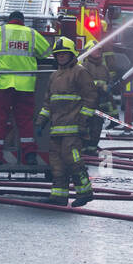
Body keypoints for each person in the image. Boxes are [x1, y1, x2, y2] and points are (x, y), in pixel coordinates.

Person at [0, 11, 51, 164]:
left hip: (4, 85)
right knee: (25, 121)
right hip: (25, 86)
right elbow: (46, 52)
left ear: (9, 20)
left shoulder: (2, 31)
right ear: (23, 21)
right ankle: (30, 155)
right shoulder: (31, 34)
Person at [35, 36, 97, 206]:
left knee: (74, 161)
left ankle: (85, 192)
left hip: (73, 128)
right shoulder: (54, 76)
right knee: (57, 164)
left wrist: (83, 122)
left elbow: (90, 98)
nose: (61, 57)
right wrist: (41, 121)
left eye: (64, 54)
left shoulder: (80, 72)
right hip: (56, 130)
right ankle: (59, 196)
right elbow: (48, 102)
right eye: (58, 54)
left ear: (71, 55)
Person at [81, 45, 115, 152]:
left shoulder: (104, 68)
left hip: (100, 104)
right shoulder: (84, 66)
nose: (98, 51)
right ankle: (83, 149)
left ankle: (92, 149)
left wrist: (110, 86)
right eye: (95, 49)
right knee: (85, 128)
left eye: (99, 49)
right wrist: (100, 85)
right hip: (86, 105)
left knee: (97, 129)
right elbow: (85, 83)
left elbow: (109, 83)